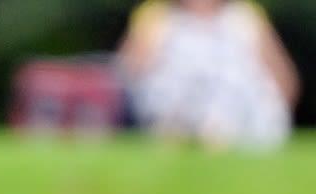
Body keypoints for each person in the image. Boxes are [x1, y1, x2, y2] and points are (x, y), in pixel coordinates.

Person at [117, 0, 299, 151]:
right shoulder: (158, 14)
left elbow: (283, 76)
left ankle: (216, 132)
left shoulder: (243, 17)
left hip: (235, 108)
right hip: (173, 108)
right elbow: (130, 71)